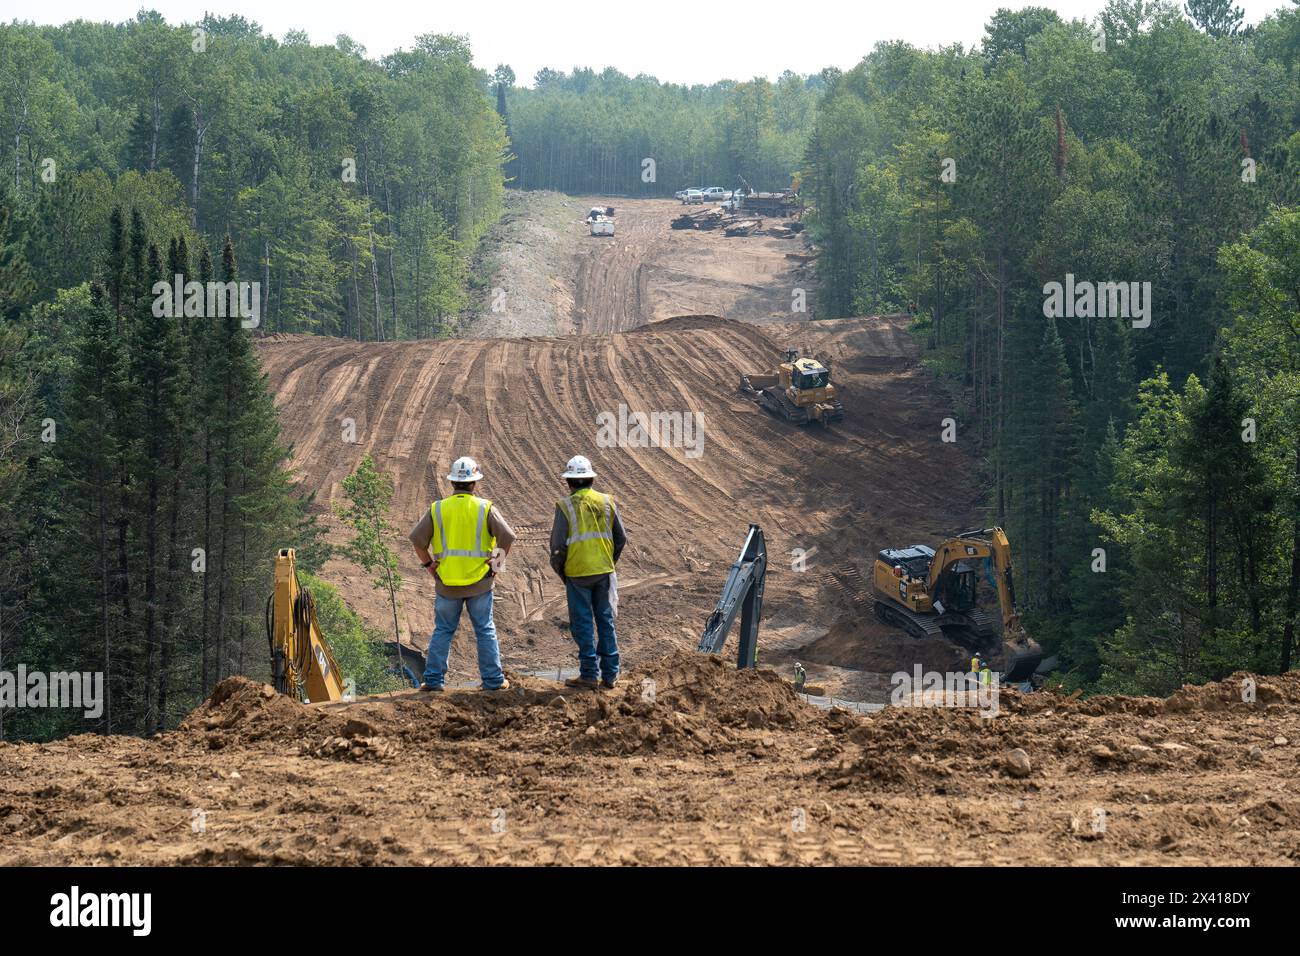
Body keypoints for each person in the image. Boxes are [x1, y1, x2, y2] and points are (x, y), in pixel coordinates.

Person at [409, 455, 516, 692]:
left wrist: (429, 565)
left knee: (443, 630)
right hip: (480, 582)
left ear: (452, 483)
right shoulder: (485, 508)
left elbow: (416, 540)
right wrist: (495, 566)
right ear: (474, 483)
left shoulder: (437, 509)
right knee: (485, 629)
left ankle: (434, 681)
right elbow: (508, 537)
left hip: (447, 583)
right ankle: (493, 681)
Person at [549, 455, 625, 689]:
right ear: (591, 480)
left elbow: (557, 547)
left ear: (569, 482)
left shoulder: (565, 506)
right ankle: (611, 675)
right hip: (603, 571)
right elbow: (621, 538)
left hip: (577, 574)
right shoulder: (607, 501)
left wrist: (562, 572)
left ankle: (589, 674)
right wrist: (609, 561)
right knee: (605, 621)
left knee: (582, 624)